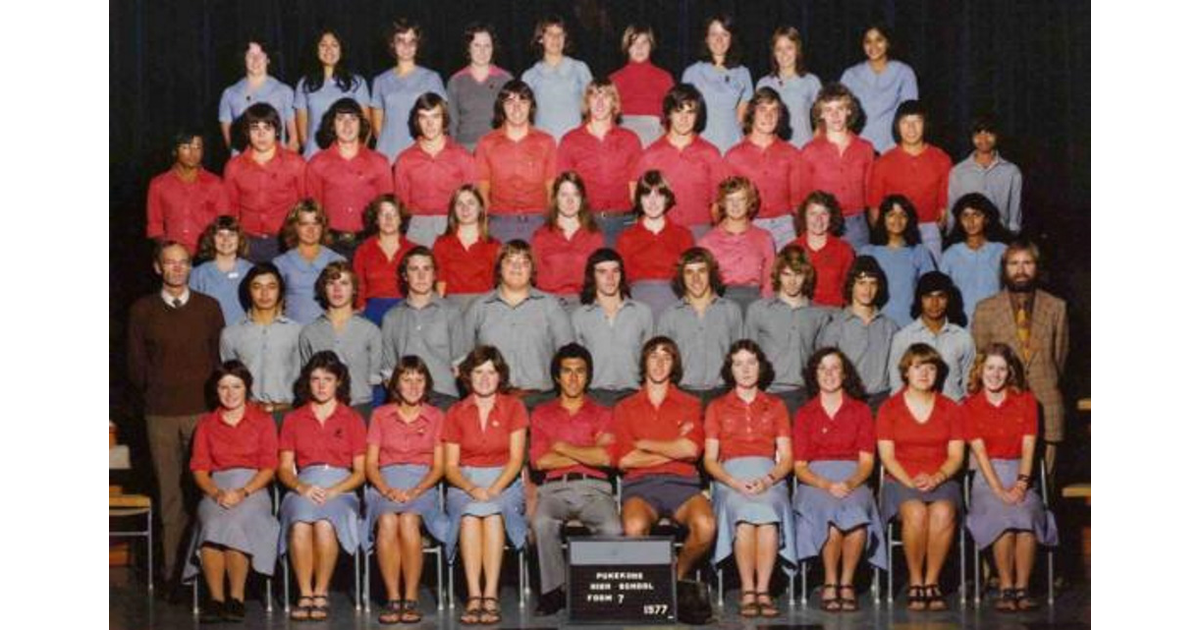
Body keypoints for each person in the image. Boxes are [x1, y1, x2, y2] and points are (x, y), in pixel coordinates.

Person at [127, 242, 225, 592]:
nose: (177, 269)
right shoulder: (143, 310)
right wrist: (157, 392)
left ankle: (206, 573)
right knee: (170, 497)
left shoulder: (209, 308)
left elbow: (218, 361)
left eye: (183, 263)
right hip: (161, 414)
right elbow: (136, 367)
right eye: (170, 263)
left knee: (204, 493)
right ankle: (175, 575)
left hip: (202, 413)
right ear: (158, 268)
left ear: (190, 268)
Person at [963, 343, 1058, 612]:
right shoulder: (969, 406)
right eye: (990, 368)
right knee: (1002, 514)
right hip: (987, 476)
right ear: (980, 370)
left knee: (1026, 513)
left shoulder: (1026, 401)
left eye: (1002, 369)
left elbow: (1029, 447)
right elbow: (980, 454)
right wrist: (1000, 490)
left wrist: (1021, 483)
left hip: (1021, 472)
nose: (995, 374)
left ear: (1010, 373)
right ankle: (1006, 587)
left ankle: (1022, 587)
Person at [703, 340, 795, 618]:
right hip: (730, 477)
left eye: (751, 362)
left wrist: (768, 480)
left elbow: (787, 458)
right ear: (730, 369)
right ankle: (748, 590)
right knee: (743, 515)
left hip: (769, 475)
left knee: (767, 516)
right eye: (738, 363)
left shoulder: (777, 405)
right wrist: (733, 482)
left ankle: (764, 591)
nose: (745, 369)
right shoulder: (717, 407)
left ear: (761, 367)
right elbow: (709, 459)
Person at [529, 343, 623, 615]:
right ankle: (553, 592)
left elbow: (606, 459)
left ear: (588, 376)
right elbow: (540, 461)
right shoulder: (542, 413)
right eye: (567, 371)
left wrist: (562, 447)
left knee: (613, 529)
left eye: (580, 372)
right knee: (541, 522)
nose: (573, 378)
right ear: (557, 376)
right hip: (554, 489)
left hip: (595, 489)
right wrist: (588, 452)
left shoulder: (603, 413)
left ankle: (595, 589)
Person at [791, 348, 887, 613]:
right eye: (823, 368)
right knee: (830, 518)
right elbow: (799, 467)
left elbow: (867, 463)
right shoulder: (804, 414)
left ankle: (847, 584)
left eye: (835, 368)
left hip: (852, 477)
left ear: (845, 374)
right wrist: (826, 485)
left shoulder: (861, 411)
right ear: (815, 374)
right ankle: (830, 582)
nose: (829, 374)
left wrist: (850, 483)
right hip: (815, 480)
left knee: (856, 517)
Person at [612, 337, 715, 583]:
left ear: (674, 365)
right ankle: (653, 581)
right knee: (634, 527)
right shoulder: (625, 407)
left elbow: (691, 451)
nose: (659, 364)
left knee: (706, 526)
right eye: (653, 357)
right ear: (644, 362)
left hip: (683, 485)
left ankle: (674, 579)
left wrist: (644, 444)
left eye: (666, 358)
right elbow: (625, 460)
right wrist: (672, 449)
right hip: (640, 486)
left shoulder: (690, 404)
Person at [183, 361, 279, 622]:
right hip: (216, 487)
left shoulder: (262, 420)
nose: (230, 392)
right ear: (216, 390)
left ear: (246, 388)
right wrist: (215, 493)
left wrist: (244, 492)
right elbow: (200, 469)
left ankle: (236, 598)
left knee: (237, 521)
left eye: (236, 386)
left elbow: (269, 466)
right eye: (223, 387)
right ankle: (216, 599)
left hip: (253, 488)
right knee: (213, 521)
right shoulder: (206, 424)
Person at [277, 351, 367, 622]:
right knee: (302, 523)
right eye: (315, 379)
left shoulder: (352, 418)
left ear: (338, 381)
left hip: (340, 487)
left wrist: (335, 490)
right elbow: (284, 468)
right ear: (308, 382)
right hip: (303, 485)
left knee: (326, 524)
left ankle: (320, 592)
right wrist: (301, 487)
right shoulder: (294, 419)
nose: (321, 385)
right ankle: (304, 593)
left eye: (327, 379)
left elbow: (361, 472)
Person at [442, 346, 529, 626]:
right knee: (469, 516)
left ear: (500, 376)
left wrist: (493, 489)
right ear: (467, 376)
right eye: (478, 372)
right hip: (464, 483)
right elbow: (450, 467)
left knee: (491, 514)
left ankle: (490, 595)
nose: (484, 378)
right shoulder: (455, 412)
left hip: (503, 481)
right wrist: (471, 488)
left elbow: (516, 460)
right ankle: (474, 596)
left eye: (491, 372)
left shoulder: (514, 407)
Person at [876, 343, 965, 612]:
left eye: (930, 367)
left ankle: (931, 581)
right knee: (915, 513)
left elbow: (956, 456)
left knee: (943, 512)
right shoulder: (889, 408)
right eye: (917, 367)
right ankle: (915, 579)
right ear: (906, 372)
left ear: (938, 373)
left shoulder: (951, 408)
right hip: (900, 481)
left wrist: (937, 477)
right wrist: (912, 481)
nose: (924, 373)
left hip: (942, 479)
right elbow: (887, 457)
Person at [362, 356, 450, 624]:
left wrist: (415, 491)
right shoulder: (380, 415)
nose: (413, 386)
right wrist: (387, 490)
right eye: (407, 379)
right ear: (395, 384)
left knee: (409, 521)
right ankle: (393, 599)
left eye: (419, 380)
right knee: (388, 521)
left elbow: (439, 467)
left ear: (427, 384)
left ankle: (410, 598)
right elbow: (370, 464)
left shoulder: (436, 416)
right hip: (384, 483)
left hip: (422, 484)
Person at [971, 240, 1069, 477]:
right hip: (1003, 410)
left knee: (1046, 488)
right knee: (1005, 481)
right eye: (1014, 264)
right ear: (1004, 269)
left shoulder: (1057, 307)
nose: (1021, 270)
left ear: (1037, 267)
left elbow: (1059, 358)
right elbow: (983, 359)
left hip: (1047, 406)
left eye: (1027, 263)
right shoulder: (986, 309)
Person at [463, 241, 574, 409]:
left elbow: (569, 357)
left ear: (532, 270)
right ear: (499, 267)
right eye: (510, 261)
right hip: (493, 402)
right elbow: (463, 359)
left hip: (542, 402)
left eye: (524, 262)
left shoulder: (550, 306)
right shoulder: (478, 307)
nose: (517, 267)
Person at [744, 245, 834, 417]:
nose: (792, 281)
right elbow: (748, 356)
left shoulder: (819, 314)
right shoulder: (759, 310)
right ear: (778, 275)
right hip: (767, 393)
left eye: (798, 274)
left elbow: (821, 359)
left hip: (804, 395)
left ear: (806, 276)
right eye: (786, 274)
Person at [636, 84, 730, 239]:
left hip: (701, 231)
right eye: (678, 111)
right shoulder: (651, 154)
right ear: (668, 114)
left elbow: (718, 202)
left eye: (690, 112)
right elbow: (638, 197)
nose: (684, 118)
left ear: (697, 116)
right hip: (663, 231)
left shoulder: (711, 153)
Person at [556, 79, 643, 245]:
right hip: (587, 223)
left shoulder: (630, 139)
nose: (600, 102)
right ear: (587, 102)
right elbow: (562, 190)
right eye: (594, 96)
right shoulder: (570, 140)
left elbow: (636, 188)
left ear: (614, 103)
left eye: (606, 96)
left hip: (625, 222)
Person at [381, 246, 468, 410]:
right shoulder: (391, 317)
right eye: (414, 269)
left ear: (435, 275)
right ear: (405, 276)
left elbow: (460, 365)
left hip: (443, 397)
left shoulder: (451, 312)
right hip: (405, 399)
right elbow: (388, 371)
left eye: (426, 269)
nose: (421, 275)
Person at [306, 98, 393, 256]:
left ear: (361, 125)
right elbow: (313, 210)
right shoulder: (317, 163)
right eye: (341, 119)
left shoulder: (379, 162)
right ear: (332, 125)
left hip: (369, 243)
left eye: (353, 119)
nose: (347, 125)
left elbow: (388, 209)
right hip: (330, 244)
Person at [656, 247, 743, 405]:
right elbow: (662, 362)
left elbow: (741, 358)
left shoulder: (731, 311)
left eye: (701, 271)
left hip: (722, 395)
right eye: (689, 272)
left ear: (711, 273)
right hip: (682, 395)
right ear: (681, 277)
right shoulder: (669, 315)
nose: (696, 279)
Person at [868, 100, 952, 262]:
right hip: (894, 231)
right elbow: (874, 210)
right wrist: (888, 235)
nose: (911, 128)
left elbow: (944, 210)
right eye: (905, 122)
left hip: (928, 232)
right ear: (897, 126)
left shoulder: (941, 159)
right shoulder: (883, 162)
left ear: (925, 124)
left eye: (917, 122)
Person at [475, 79, 558, 244]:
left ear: (531, 106)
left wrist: (552, 225)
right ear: (501, 107)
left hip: (539, 222)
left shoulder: (546, 142)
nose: (517, 107)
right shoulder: (486, 143)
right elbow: (482, 188)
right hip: (499, 223)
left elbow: (551, 188)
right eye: (509, 102)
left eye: (523, 101)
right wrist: (484, 224)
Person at [219, 263, 303, 425]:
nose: (264, 293)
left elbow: (302, 376)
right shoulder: (231, 334)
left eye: (271, 287)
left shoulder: (297, 332)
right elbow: (228, 380)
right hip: (247, 415)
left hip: (288, 414)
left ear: (280, 291)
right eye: (257, 287)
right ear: (249, 292)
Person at [223, 104, 307, 262]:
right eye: (255, 128)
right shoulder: (233, 167)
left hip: (286, 242)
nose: (261, 134)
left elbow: (305, 206)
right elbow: (231, 210)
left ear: (277, 131)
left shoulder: (296, 163)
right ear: (247, 132)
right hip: (247, 243)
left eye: (267, 128)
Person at [571, 248, 654, 407]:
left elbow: (650, 359)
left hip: (633, 395)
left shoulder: (643, 312)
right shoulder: (580, 316)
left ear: (621, 275)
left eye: (615, 271)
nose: (610, 278)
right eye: (602, 272)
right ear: (592, 276)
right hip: (594, 396)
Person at [299, 261, 383, 417]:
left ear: (354, 289)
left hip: (359, 408)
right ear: (323, 289)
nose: (337, 289)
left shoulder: (370, 330)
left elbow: (375, 376)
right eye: (331, 283)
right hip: (321, 410)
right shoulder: (309, 332)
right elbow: (307, 375)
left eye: (344, 283)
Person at [797, 83, 876, 249]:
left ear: (849, 110)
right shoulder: (809, 151)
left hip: (857, 225)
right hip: (822, 223)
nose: (835, 115)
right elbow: (802, 196)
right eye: (828, 109)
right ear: (821, 115)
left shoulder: (865, 148)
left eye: (840, 108)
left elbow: (871, 194)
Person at [724, 87, 806, 248]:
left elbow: (798, 202)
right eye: (762, 110)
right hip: (749, 224)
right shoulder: (733, 156)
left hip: (786, 227)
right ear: (752, 114)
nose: (768, 116)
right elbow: (725, 204)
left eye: (774, 110)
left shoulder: (792, 154)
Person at [393, 92, 477, 247]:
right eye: (424, 117)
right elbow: (401, 206)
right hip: (416, 229)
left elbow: (473, 203)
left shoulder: (463, 157)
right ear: (417, 121)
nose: (429, 124)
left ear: (444, 119)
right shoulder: (405, 160)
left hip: (453, 225)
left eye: (435, 117)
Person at [817, 255, 898, 408]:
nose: (867, 290)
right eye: (861, 283)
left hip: (882, 400)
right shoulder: (836, 327)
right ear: (851, 285)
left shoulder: (890, 327)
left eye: (872, 284)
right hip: (847, 401)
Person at [615, 170, 695, 316]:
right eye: (646, 195)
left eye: (658, 195)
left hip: (675, 303)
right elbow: (621, 284)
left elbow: (690, 280)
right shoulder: (627, 237)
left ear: (667, 198)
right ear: (639, 199)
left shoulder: (683, 235)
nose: (652, 202)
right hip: (638, 305)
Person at [889, 271, 975, 401]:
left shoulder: (962, 337)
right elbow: (897, 386)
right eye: (928, 296)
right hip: (915, 414)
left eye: (941, 296)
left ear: (948, 299)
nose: (934, 303)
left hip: (954, 413)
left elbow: (969, 386)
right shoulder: (903, 338)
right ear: (920, 299)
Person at [371, 19, 447, 163]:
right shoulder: (380, 81)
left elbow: (441, 121)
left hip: (421, 156)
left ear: (417, 45)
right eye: (400, 41)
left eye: (411, 41)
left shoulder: (432, 78)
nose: (406, 46)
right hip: (388, 156)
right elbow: (377, 127)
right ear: (392, 44)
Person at [697, 176, 776, 312]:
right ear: (722, 203)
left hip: (756, 301)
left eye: (741, 199)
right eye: (730, 200)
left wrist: (763, 305)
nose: (735, 205)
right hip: (720, 303)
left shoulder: (764, 237)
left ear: (749, 202)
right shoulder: (707, 241)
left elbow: (771, 277)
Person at [858, 194, 937, 327]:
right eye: (891, 214)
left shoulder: (920, 252)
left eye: (903, 215)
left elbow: (930, 292)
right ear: (883, 218)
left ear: (909, 220)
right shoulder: (868, 252)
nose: (897, 220)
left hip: (909, 325)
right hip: (875, 325)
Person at [146, 129, 230, 255]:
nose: (193, 153)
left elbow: (225, 222)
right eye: (186, 147)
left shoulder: (216, 183)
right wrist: (167, 250)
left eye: (197, 147)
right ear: (174, 151)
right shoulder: (159, 184)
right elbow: (154, 225)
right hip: (173, 255)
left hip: (207, 254)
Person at [838, 23, 918, 154]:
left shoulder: (904, 72)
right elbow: (839, 113)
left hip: (891, 148)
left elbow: (910, 114)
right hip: (857, 150)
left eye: (879, 40)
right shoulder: (850, 75)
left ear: (888, 42)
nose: (873, 46)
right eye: (868, 41)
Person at [681, 14, 752, 154]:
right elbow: (685, 116)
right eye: (714, 34)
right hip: (700, 148)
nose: (719, 40)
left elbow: (741, 118)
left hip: (732, 146)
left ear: (731, 39)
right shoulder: (692, 73)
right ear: (706, 38)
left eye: (725, 34)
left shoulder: (743, 73)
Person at [531, 171, 605, 306]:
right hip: (550, 304)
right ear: (555, 198)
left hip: (584, 304)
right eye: (564, 195)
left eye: (575, 194)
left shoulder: (594, 236)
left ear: (582, 199)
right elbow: (534, 281)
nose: (570, 201)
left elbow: (599, 280)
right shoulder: (541, 236)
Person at [294, 29, 370, 159]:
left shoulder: (357, 83)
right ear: (316, 50)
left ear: (342, 49)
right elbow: (302, 131)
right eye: (323, 45)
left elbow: (366, 125)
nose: (328, 50)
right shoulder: (305, 84)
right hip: (314, 157)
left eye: (334, 45)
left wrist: (357, 156)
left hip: (347, 158)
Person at [272, 199, 346, 325]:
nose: (311, 230)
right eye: (304, 224)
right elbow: (275, 308)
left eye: (316, 224)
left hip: (328, 334)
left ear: (323, 226)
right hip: (293, 334)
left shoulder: (337, 260)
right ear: (295, 227)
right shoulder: (281, 263)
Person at [521, 15, 594, 142]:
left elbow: (592, 108)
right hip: (543, 146)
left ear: (565, 38)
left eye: (560, 34)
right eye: (550, 34)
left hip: (575, 144)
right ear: (540, 39)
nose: (556, 39)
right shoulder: (529, 76)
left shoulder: (580, 69)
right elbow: (522, 117)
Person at [948, 113, 1023, 234]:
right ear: (971, 137)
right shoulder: (958, 171)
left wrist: (1012, 238)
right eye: (978, 133)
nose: (983, 139)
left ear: (997, 135)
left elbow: (1015, 212)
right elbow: (952, 211)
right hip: (967, 237)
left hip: (1000, 237)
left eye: (989, 133)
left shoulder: (1012, 171)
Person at [218, 38, 297, 152]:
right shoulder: (230, 93)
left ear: (268, 59)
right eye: (250, 55)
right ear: (244, 59)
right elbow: (230, 144)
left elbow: (294, 139)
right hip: (244, 165)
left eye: (260, 55)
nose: (255, 60)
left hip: (276, 164)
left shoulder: (284, 91)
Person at [941, 193, 1010, 324]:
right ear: (959, 220)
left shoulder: (1002, 251)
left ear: (986, 219)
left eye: (976, 215)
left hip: (996, 323)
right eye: (965, 215)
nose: (970, 221)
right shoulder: (950, 255)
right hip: (961, 325)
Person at [431, 185, 502, 310]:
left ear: (480, 208)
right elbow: (440, 286)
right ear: (453, 210)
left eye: (471, 203)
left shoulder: (494, 245)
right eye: (459, 204)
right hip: (452, 307)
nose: (465, 209)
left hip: (485, 307)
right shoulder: (442, 244)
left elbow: (499, 287)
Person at [446, 22, 514, 151]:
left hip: (497, 149)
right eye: (477, 45)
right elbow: (452, 125)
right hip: (465, 151)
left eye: (487, 46)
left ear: (493, 48)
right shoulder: (455, 81)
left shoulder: (506, 79)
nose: (482, 51)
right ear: (468, 48)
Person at [352, 194, 415, 326]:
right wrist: (361, 309)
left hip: (405, 310)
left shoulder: (413, 250)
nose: (388, 219)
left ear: (401, 219)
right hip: (373, 311)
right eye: (383, 214)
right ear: (376, 219)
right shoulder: (364, 250)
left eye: (394, 214)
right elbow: (358, 286)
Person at [756, 27, 821, 149]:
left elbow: (823, 117)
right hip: (773, 151)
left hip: (803, 149)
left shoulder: (811, 81)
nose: (784, 54)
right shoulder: (763, 83)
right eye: (779, 49)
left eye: (789, 48)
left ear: (797, 50)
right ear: (773, 53)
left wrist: (815, 142)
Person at [609, 24, 674, 147]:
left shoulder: (665, 78)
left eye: (644, 42)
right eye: (634, 43)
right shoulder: (614, 79)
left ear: (651, 46)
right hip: (623, 138)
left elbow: (671, 115)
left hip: (655, 136)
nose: (639, 48)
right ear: (627, 47)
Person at [790, 191, 856, 307]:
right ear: (804, 216)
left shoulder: (844, 250)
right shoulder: (791, 249)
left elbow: (850, 290)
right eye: (813, 213)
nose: (818, 219)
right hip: (801, 314)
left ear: (831, 217)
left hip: (834, 315)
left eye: (824, 214)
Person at [190, 216, 255, 326]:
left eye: (232, 235)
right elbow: (192, 312)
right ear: (212, 239)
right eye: (220, 235)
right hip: (211, 335)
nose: (226, 240)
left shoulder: (251, 271)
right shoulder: (198, 274)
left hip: (244, 336)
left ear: (240, 239)